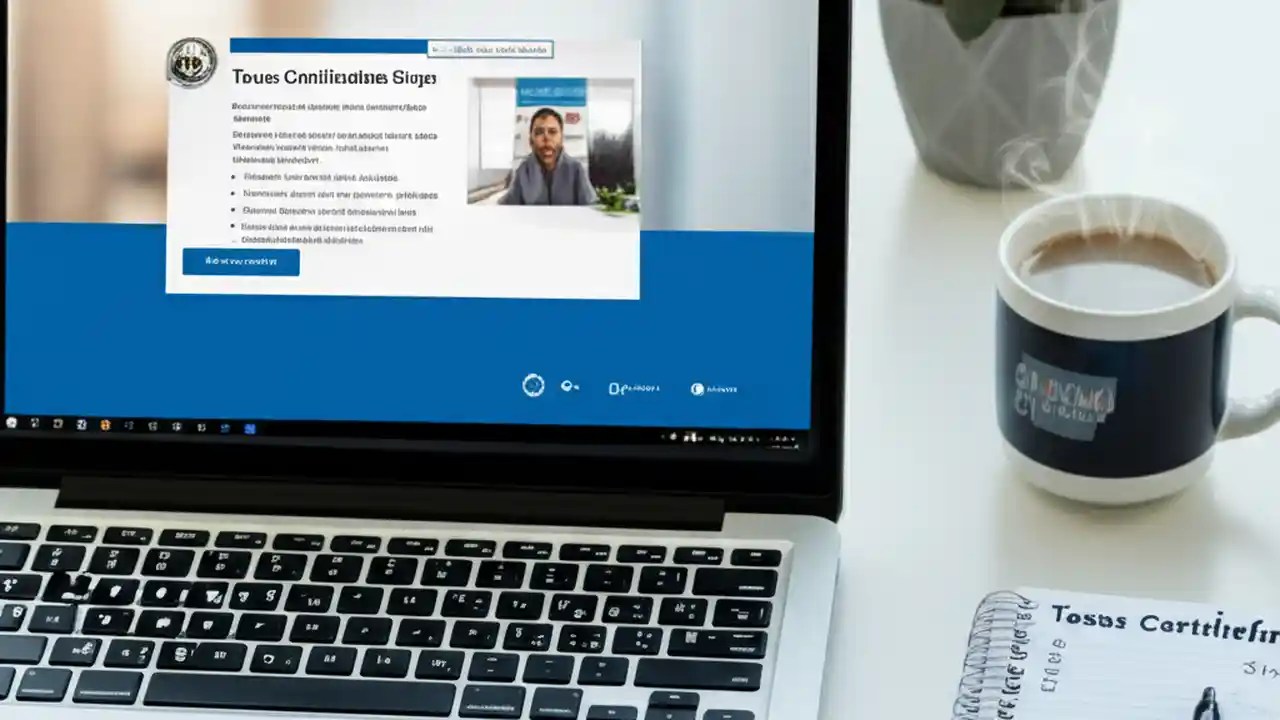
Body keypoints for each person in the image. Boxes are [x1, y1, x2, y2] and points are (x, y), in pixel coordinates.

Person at [500, 108, 597, 206]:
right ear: (531, 141)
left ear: (561, 138)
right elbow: (507, 208)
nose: (546, 138)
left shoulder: (576, 169)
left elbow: (592, 208)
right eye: (539, 132)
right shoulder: (523, 171)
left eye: (552, 132)